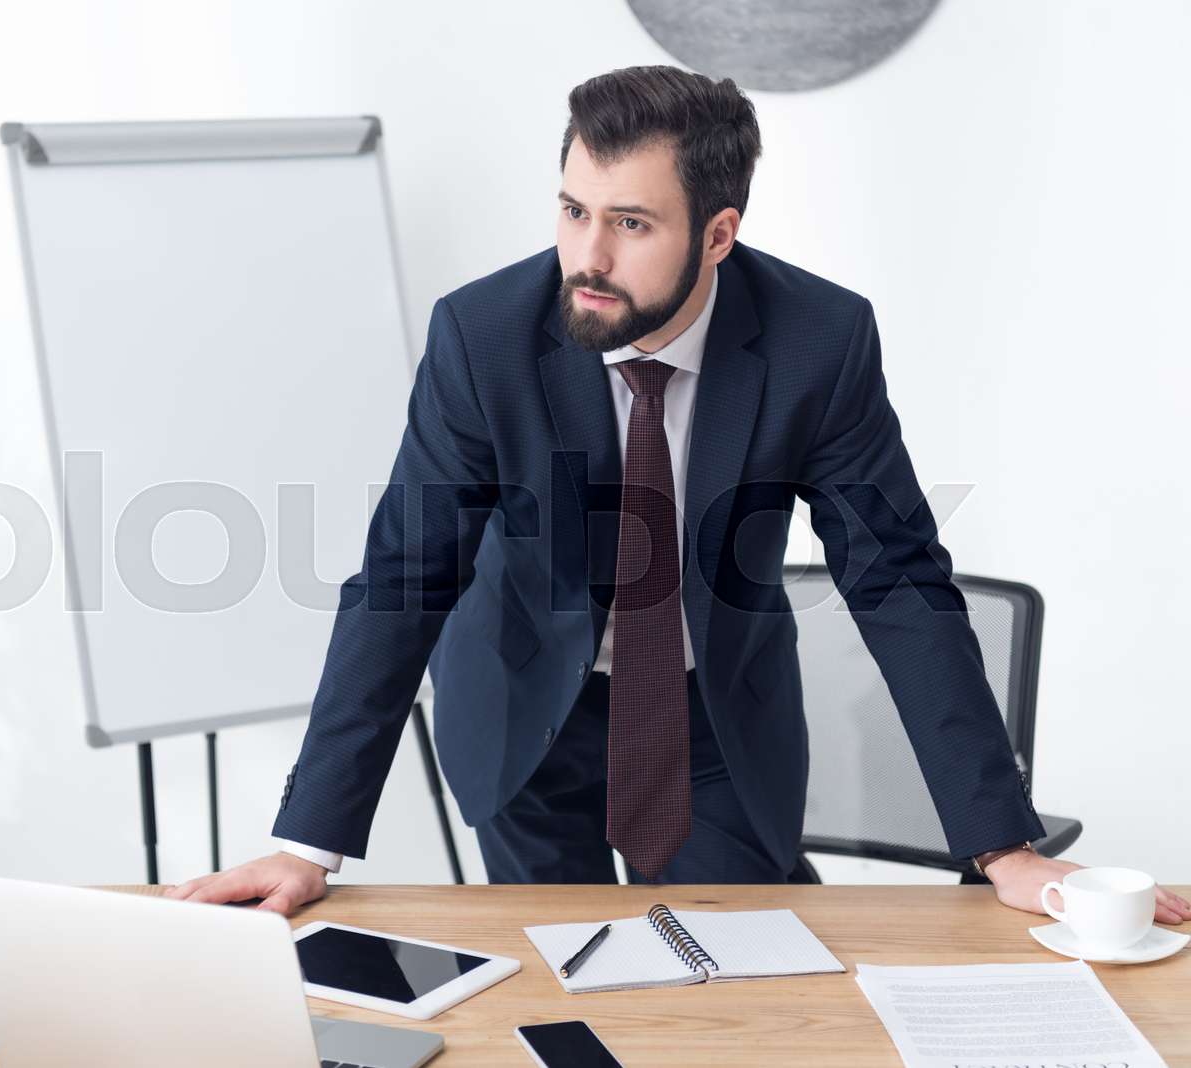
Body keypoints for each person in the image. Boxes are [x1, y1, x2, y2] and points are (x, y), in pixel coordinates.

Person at [169, 65, 1190, 926]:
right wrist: (308, 841)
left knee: (730, 991)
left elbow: (897, 581)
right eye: (572, 211)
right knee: (558, 1004)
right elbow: (403, 576)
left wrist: (1002, 848)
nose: (587, 258)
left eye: (630, 223)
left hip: (710, 720)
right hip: (524, 708)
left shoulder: (815, 345)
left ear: (715, 233)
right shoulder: (482, 339)